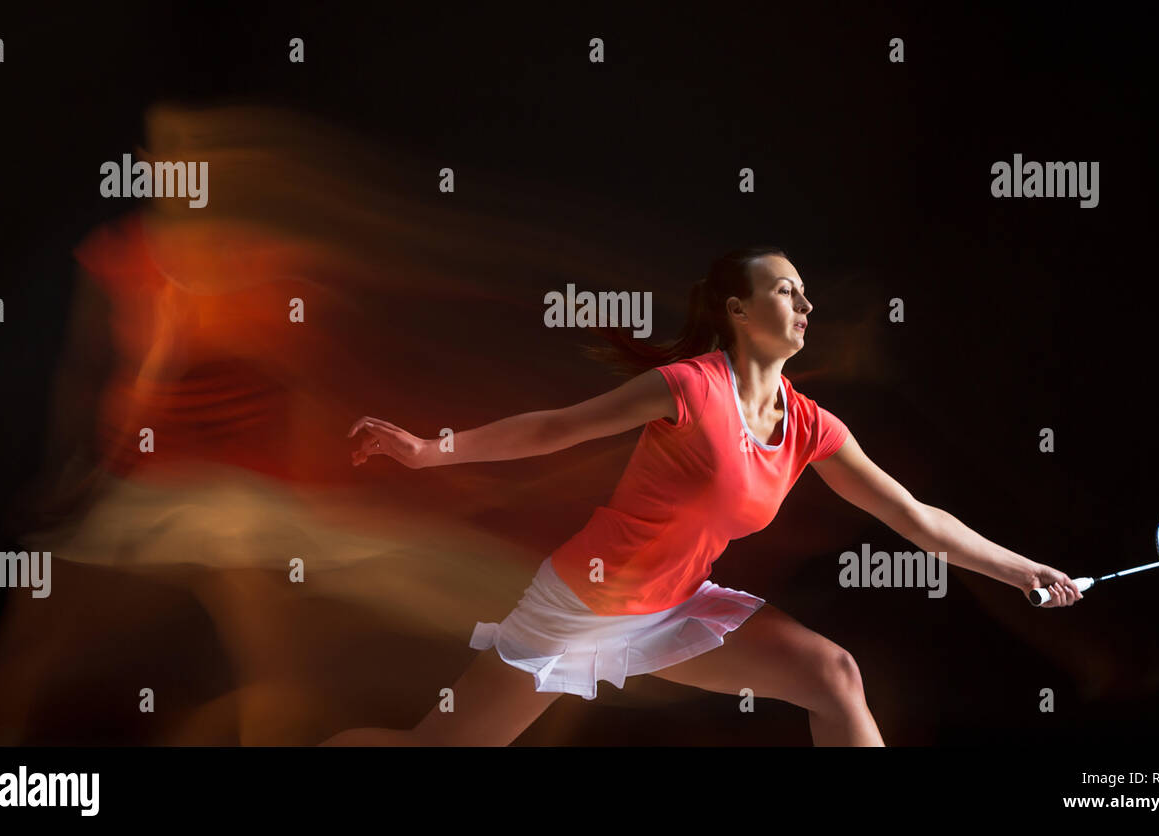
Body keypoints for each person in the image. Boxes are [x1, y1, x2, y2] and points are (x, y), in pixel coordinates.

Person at [322, 247, 1083, 747]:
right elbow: (554, 429)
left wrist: (1023, 572)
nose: (806, 305)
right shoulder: (687, 388)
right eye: (787, 291)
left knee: (833, 675)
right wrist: (431, 451)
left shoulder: (811, 428)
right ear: (739, 312)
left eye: (808, 293)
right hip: (578, 607)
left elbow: (918, 520)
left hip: (676, 603)